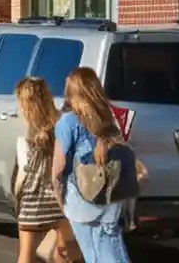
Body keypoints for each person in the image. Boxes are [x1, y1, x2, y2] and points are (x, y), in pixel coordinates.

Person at [52, 68, 133, 263]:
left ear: (70, 92)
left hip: (81, 200)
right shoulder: (110, 117)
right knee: (112, 253)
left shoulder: (68, 121)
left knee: (93, 256)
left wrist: (58, 194)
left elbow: (59, 166)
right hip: (110, 198)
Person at [14, 77, 77, 263]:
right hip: (59, 200)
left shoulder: (26, 136)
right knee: (65, 251)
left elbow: (22, 176)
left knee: (26, 255)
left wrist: (17, 195)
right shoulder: (62, 124)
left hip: (32, 202)